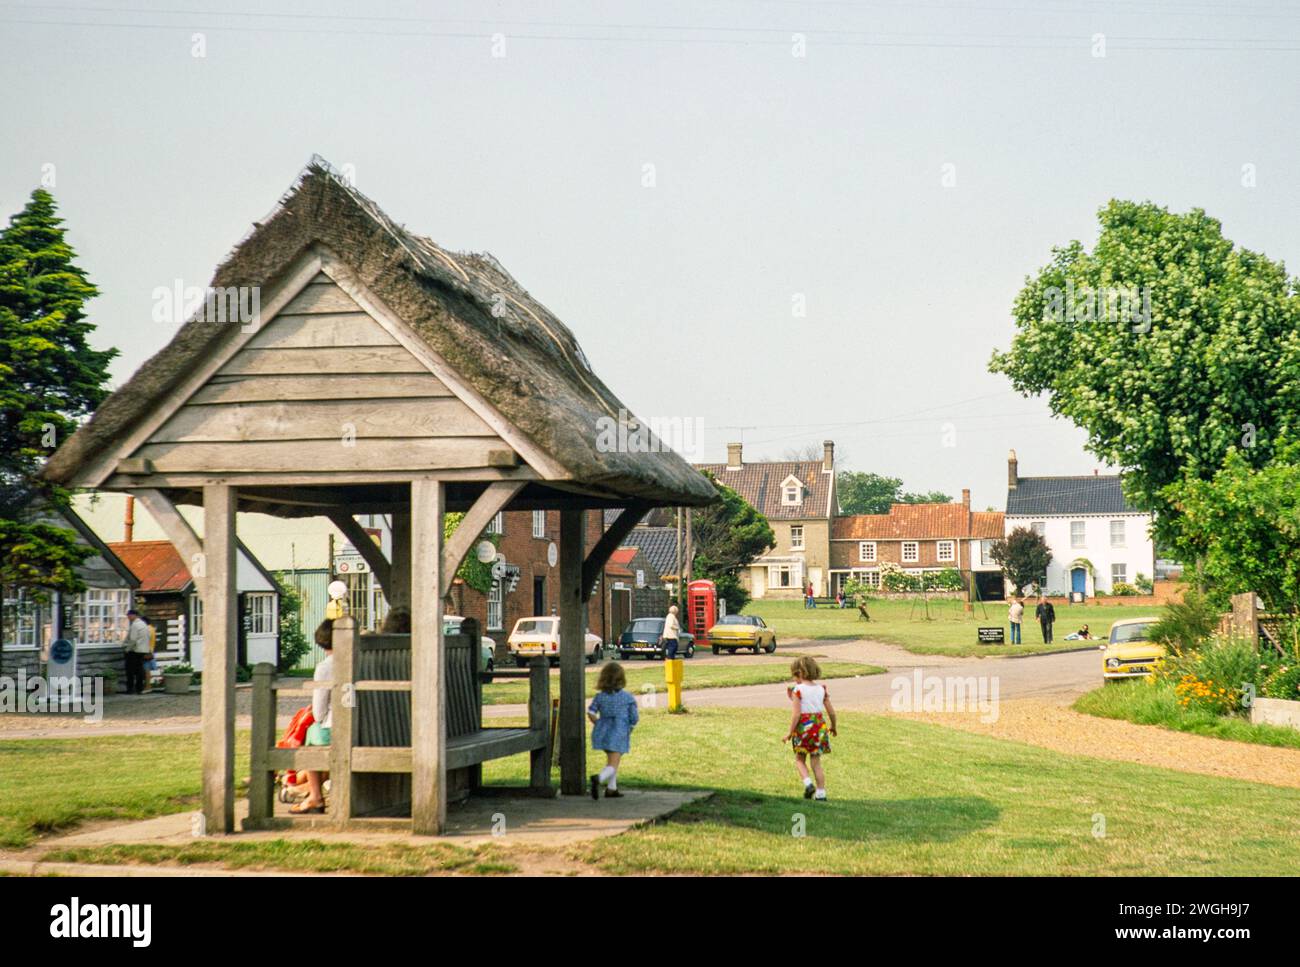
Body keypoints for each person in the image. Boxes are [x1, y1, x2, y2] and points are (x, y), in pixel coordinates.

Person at [292, 619, 335, 814]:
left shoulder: (325, 667)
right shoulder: (362, 659)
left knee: (312, 733)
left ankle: (315, 796)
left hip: (336, 728)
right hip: (366, 726)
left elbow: (319, 712)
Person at [785, 656, 836, 801]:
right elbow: (831, 712)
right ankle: (821, 794)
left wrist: (790, 732)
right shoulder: (821, 689)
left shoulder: (798, 690)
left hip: (803, 727)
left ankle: (808, 784)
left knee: (800, 759)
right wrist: (833, 726)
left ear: (800, 673)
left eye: (794, 675)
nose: (794, 679)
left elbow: (796, 714)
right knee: (816, 763)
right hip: (819, 726)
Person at [588, 662, 639, 799]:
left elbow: (591, 712)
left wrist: (598, 723)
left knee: (611, 760)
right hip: (619, 731)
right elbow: (634, 717)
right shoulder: (627, 698)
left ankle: (612, 789)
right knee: (613, 763)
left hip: (602, 732)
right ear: (621, 679)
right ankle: (598, 778)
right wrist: (630, 727)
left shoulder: (600, 697)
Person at [123, 608, 152, 695]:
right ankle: (139, 688)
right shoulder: (143, 624)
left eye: (129, 615)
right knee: (139, 670)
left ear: (133, 615)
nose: (128, 617)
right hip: (143, 650)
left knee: (130, 670)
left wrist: (127, 649)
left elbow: (133, 639)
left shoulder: (135, 625)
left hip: (135, 650)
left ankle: (130, 689)